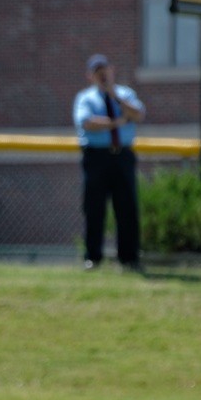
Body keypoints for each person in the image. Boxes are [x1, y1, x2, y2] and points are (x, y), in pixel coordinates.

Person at [73, 55, 147, 273]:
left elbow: (138, 114)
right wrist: (117, 122)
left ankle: (129, 258)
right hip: (96, 157)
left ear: (112, 70)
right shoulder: (86, 98)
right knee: (94, 207)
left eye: (104, 69)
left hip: (122, 156)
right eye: (97, 71)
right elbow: (87, 122)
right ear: (90, 76)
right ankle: (93, 258)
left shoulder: (126, 94)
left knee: (127, 207)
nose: (102, 74)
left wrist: (114, 96)